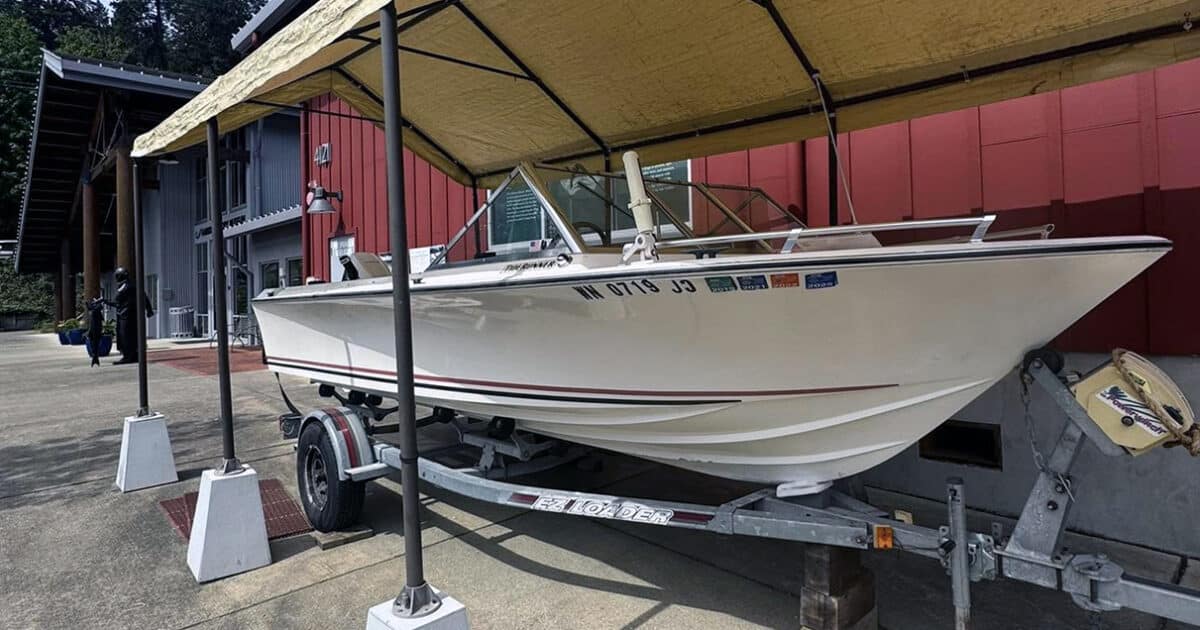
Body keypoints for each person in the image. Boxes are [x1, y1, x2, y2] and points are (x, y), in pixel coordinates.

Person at [108, 267, 154, 365]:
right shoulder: (123, 286)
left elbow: (143, 296)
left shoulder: (130, 286)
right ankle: (130, 355)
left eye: (117, 276)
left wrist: (149, 309)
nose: (116, 278)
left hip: (128, 315)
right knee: (123, 335)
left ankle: (129, 356)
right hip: (123, 314)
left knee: (126, 336)